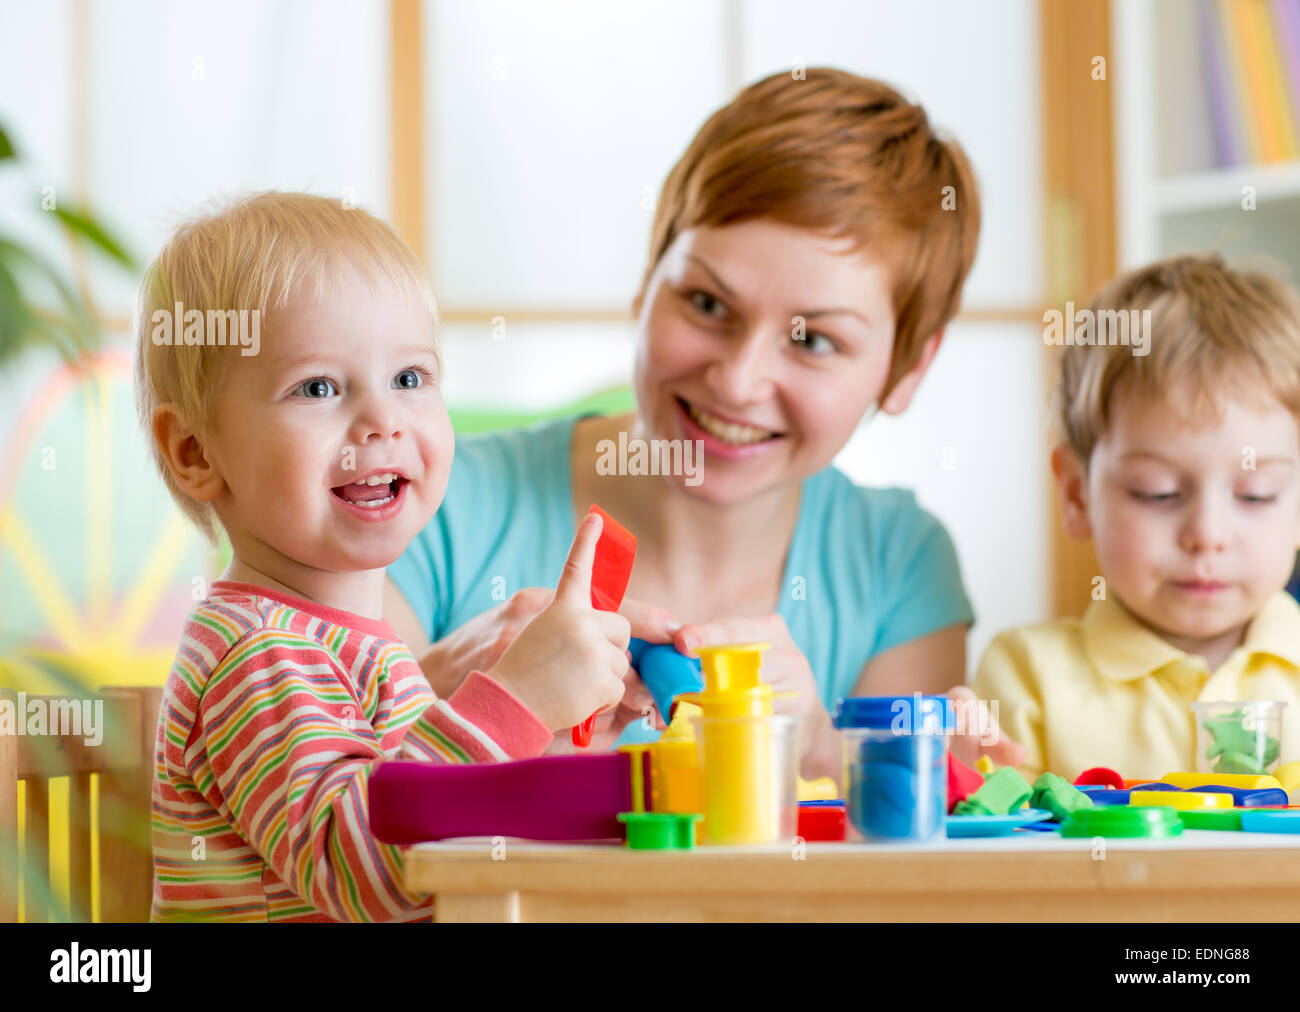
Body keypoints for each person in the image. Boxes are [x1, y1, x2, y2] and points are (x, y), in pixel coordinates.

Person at [387, 68, 1022, 778]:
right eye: (708, 305)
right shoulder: (426, 499)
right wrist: (441, 686)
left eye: (814, 341)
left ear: (908, 369)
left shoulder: (899, 563)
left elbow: (898, 857)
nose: (738, 380)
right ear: (647, 276)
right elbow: (317, 816)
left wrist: (817, 746)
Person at [137, 192, 630, 921]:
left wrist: (554, 734)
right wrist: (516, 699)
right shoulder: (258, 656)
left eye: (409, 379)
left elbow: (436, 811)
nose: (382, 421)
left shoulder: (348, 645)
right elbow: (367, 872)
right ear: (197, 452)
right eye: (318, 387)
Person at [975, 254, 1300, 781]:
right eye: (1159, 493)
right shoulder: (1027, 677)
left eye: (1256, 494)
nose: (1207, 536)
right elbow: (1000, 856)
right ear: (1078, 495)